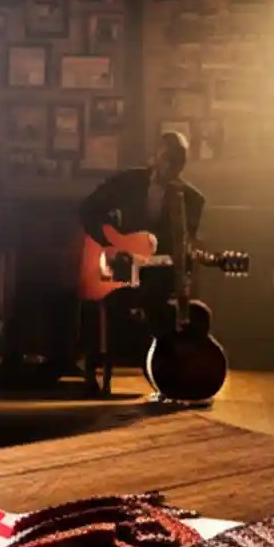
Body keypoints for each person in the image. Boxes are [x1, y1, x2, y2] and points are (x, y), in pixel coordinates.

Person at [77, 131, 207, 398]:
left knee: (158, 301)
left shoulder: (191, 200)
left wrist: (186, 263)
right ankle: (91, 370)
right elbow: (87, 208)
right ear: (154, 157)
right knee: (92, 297)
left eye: (177, 162)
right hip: (118, 269)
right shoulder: (127, 182)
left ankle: (166, 374)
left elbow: (184, 251)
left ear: (183, 165)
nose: (169, 167)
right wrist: (109, 242)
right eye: (165, 159)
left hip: (159, 275)